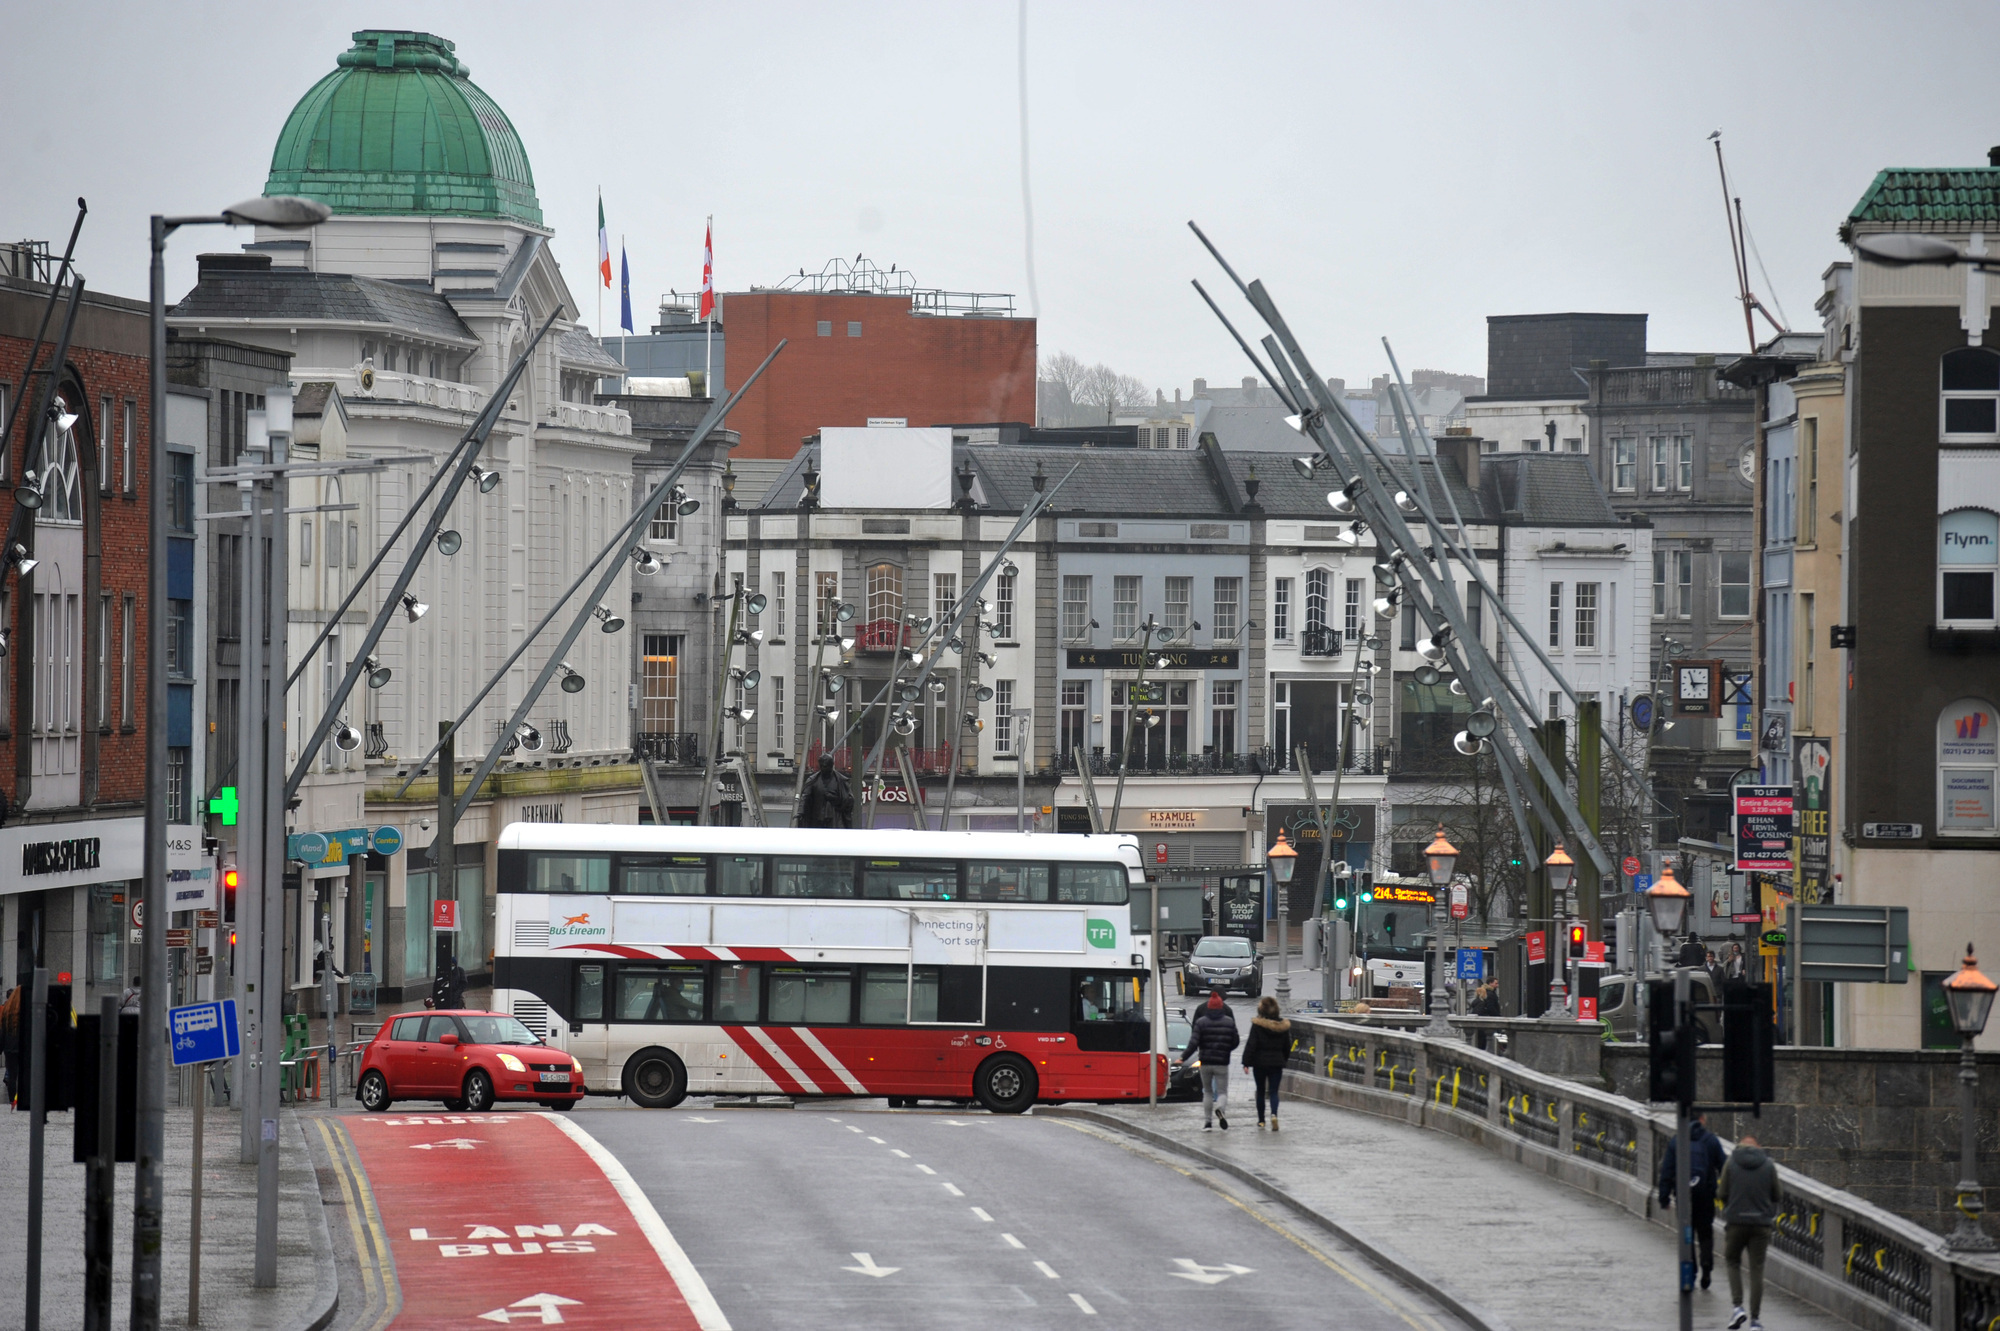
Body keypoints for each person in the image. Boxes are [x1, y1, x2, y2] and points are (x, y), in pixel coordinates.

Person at [1656, 1110, 1728, 1288]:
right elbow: (1725, 1168)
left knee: (1686, 1234)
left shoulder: (1676, 1141)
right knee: (1705, 1232)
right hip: (1705, 1194)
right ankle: (1707, 1265)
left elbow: (1667, 1171)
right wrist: (1724, 1193)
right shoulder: (1711, 1141)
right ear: (1702, 1119)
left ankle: (1692, 1269)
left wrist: (1664, 1197)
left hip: (1683, 1195)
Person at [1718, 1133, 1778, 1330]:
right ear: (1757, 1146)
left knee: (1732, 1261)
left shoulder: (1731, 1162)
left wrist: (1730, 1209)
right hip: (1761, 1225)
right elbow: (1777, 1194)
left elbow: (1722, 1193)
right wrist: (1767, 1212)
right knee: (1756, 1270)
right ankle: (1755, 1320)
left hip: (1736, 1223)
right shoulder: (1768, 1165)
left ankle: (1737, 1307)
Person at [1179, 988, 1239, 1131]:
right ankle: (1220, 1108)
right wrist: (1226, 1050)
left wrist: (1183, 1057)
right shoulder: (1229, 1019)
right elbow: (1235, 1040)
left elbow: (1194, 1041)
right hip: (1222, 1062)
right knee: (1223, 1091)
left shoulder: (1201, 1020)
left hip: (1205, 1060)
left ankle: (1207, 1123)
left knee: (1207, 1091)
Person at [1240, 996, 1291, 1131]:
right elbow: (1287, 1046)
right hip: (1276, 1063)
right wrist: (1283, 1059)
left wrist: (1246, 1062)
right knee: (1274, 1092)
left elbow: (1251, 1044)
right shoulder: (1283, 1027)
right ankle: (1274, 1114)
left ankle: (1261, 1121)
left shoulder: (1257, 1025)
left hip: (1260, 1063)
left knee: (1261, 1091)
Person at [798, 753, 854, 829]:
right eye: (821, 766)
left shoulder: (840, 780)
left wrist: (836, 799)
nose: (823, 768)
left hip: (835, 819)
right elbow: (805, 796)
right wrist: (801, 812)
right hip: (817, 819)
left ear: (831, 766)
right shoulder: (813, 780)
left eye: (825, 766)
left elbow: (850, 799)